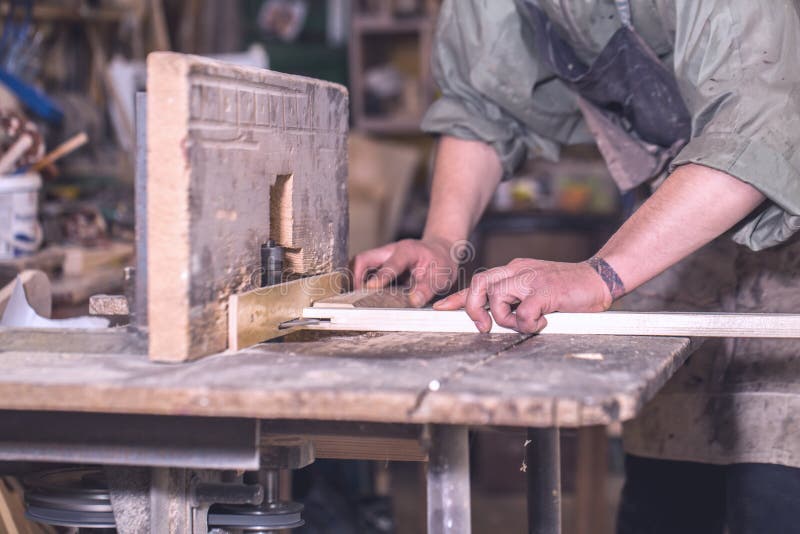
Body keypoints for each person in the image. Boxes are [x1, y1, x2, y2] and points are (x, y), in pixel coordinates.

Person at [353, 1, 800, 532]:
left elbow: (756, 127)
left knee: (773, 497)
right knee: (665, 498)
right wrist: (443, 241)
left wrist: (600, 274)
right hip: (687, 241)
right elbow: (483, 104)